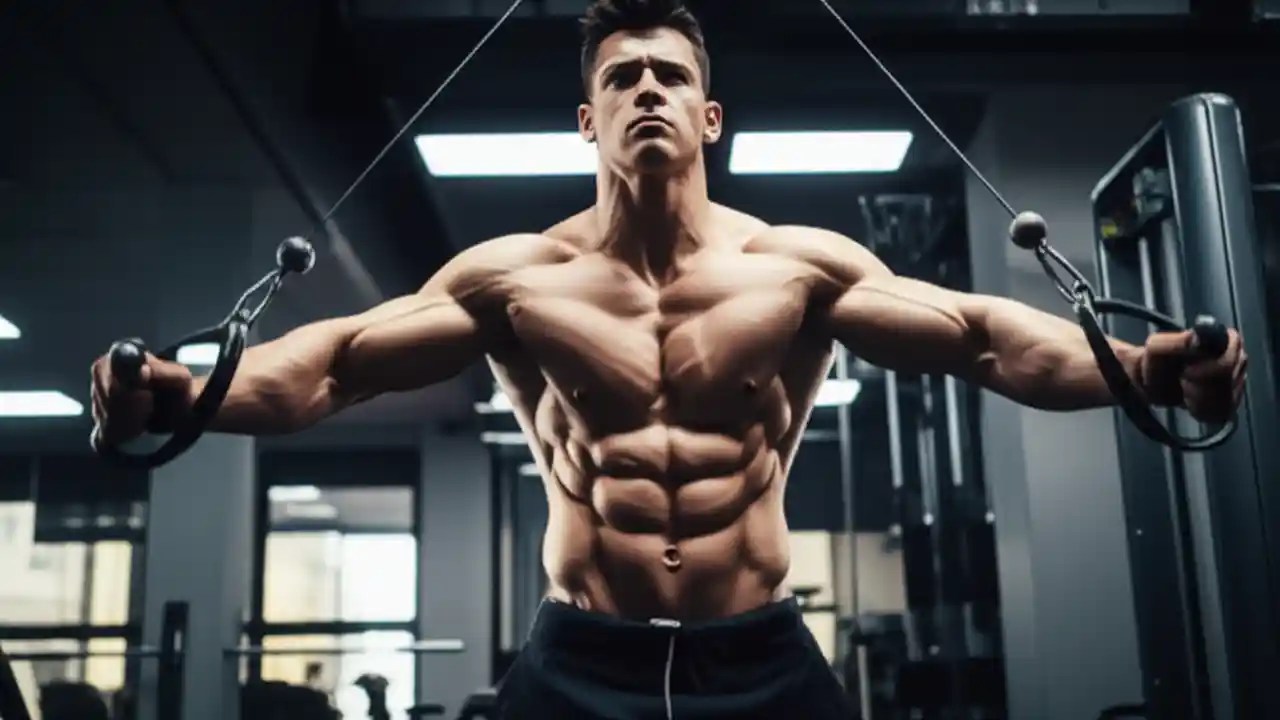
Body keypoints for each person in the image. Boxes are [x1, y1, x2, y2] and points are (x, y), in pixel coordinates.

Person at [90, 0, 1250, 717]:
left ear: (709, 116)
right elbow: (334, 365)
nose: (645, 88)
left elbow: (984, 339)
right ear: (586, 123)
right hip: (575, 659)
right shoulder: (515, 279)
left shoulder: (794, 268)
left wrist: (1144, 370)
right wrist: (187, 394)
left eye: (670, 75)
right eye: (619, 77)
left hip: (761, 655)